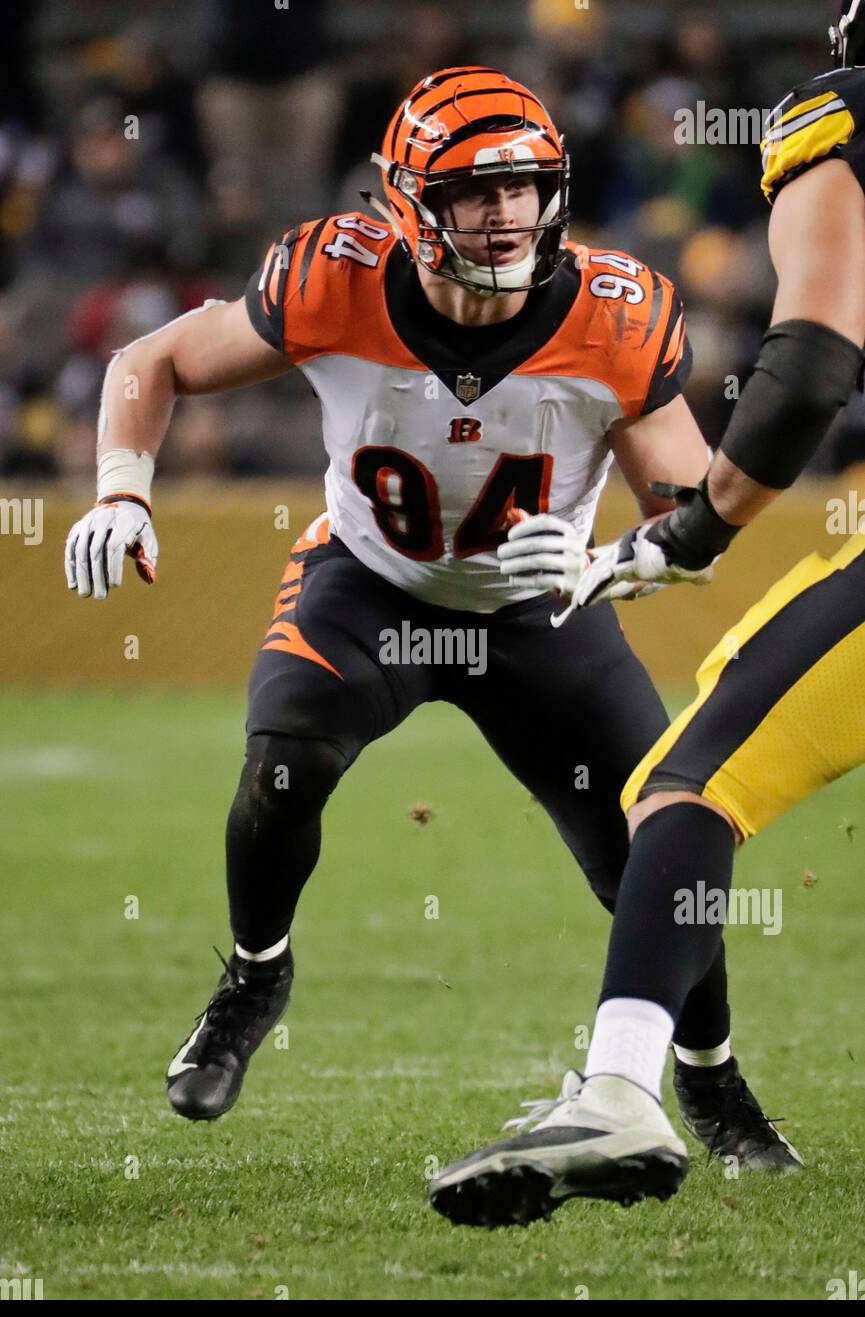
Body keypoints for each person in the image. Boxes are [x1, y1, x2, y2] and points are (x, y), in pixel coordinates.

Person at [64, 67, 784, 1172]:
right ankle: (257, 971)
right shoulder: (331, 280)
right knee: (281, 764)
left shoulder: (611, 313)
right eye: (473, 193)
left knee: (659, 844)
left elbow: (692, 514)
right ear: (406, 200)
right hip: (368, 581)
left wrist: (608, 562)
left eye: (525, 188)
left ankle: (711, 1078)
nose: (506, 216)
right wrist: (121, 484)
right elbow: (149, 359)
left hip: (542, 612)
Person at [428, 8, 865, 1227]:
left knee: (685, 781)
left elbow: (810, 370)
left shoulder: (841, 116)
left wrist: (694, 529)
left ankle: (622, 1085)